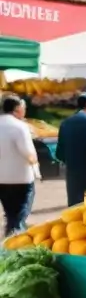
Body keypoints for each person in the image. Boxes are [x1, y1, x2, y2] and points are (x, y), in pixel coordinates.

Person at [0, 97, 39, 235]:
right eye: (23, 108)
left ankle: (11, 232)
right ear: (17, 109)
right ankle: (15, 233)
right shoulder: (19, 126)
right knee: (22, 208)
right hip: (20, 177)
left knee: (9, 210)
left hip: (1, 178)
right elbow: (28, 153)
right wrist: (35, 162)